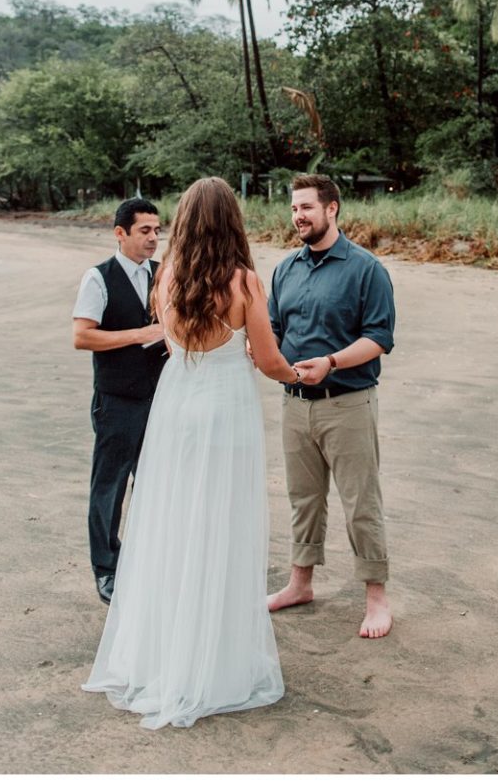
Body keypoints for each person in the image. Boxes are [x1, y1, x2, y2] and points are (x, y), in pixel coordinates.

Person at [82, 177, 305, 730]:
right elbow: (271, 360)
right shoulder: (244, 282)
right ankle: (211, 659)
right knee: (220, 525)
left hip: (175, 408)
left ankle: (161, 653)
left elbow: (167, 339)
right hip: (225, 411)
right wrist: (298, 373)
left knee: (173, 522)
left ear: (183, 221)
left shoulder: (168, 278)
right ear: (232, 220)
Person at [267, 174, 395, 639]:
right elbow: (275, 328)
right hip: (295, 405)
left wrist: (333, 362)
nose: (298, 216)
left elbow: (380, 337)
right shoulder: (285, 269)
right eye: (294, 208)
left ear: (332, 209)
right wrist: (263, 352)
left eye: (306, 207)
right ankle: (300, 583)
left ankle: (376, 598)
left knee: (361, 502)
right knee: (303, 499)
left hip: (348, 403)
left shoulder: (366, 269)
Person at [72, 198, 166, 606]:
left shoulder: (164, 275)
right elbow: (82, 336)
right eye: (144, 230)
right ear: (120, 233)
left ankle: (145, 561)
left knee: (153, 482)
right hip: (117, 400)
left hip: (162, 397)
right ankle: (106, 567)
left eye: (157, 230)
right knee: (109, 486)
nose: (153, 238)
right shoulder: (98, 278)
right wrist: (137, 334)